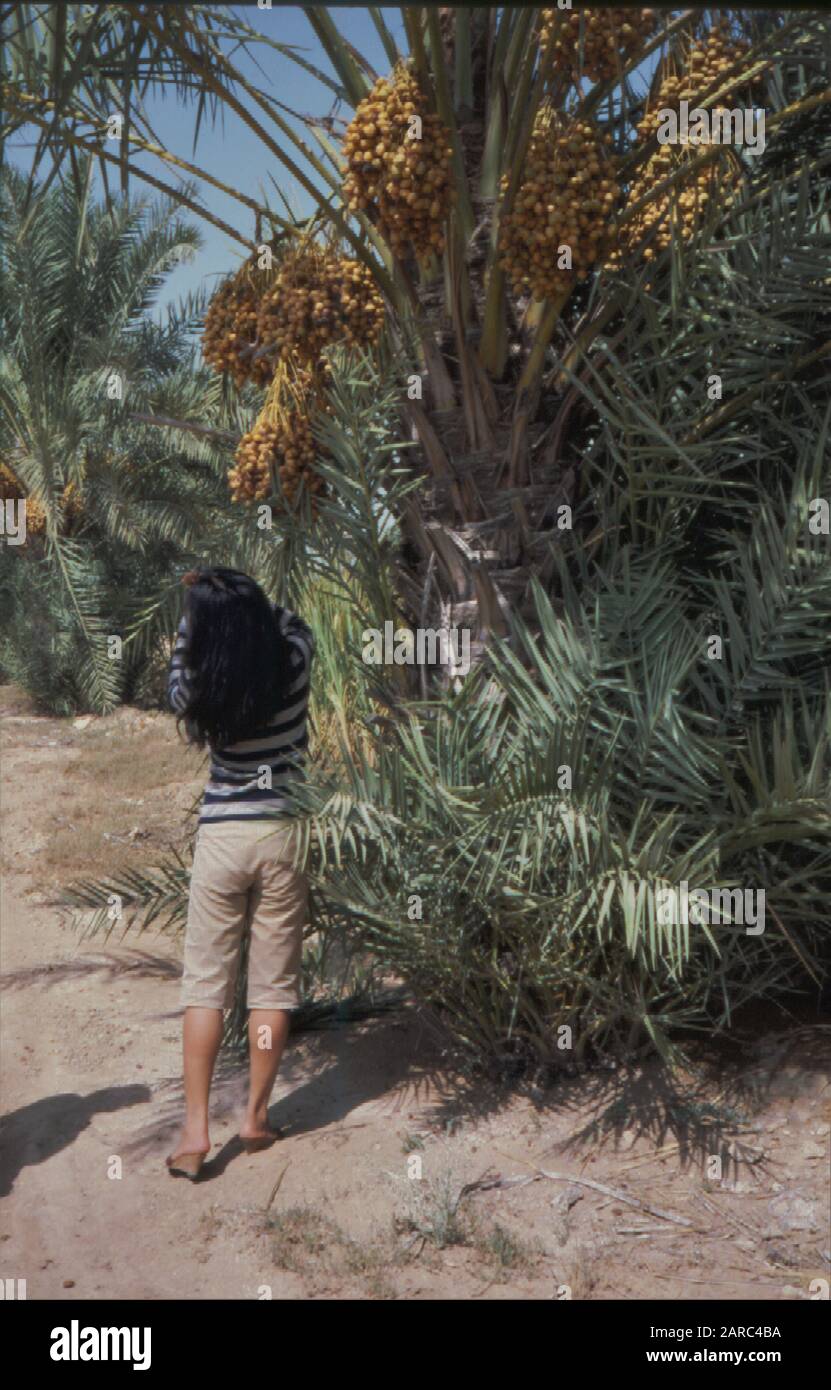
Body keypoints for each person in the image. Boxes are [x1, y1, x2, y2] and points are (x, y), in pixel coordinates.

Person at [164, 566, 314, 1181]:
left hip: (223, 837)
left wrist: (197, 613)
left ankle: (195, 1132)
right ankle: (254, 1117)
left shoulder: (195, 684)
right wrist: (241, 602)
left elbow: (183, 657)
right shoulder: (295, 655)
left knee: (207, 987)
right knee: (272, 988)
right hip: (283, 829)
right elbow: (285, 621)